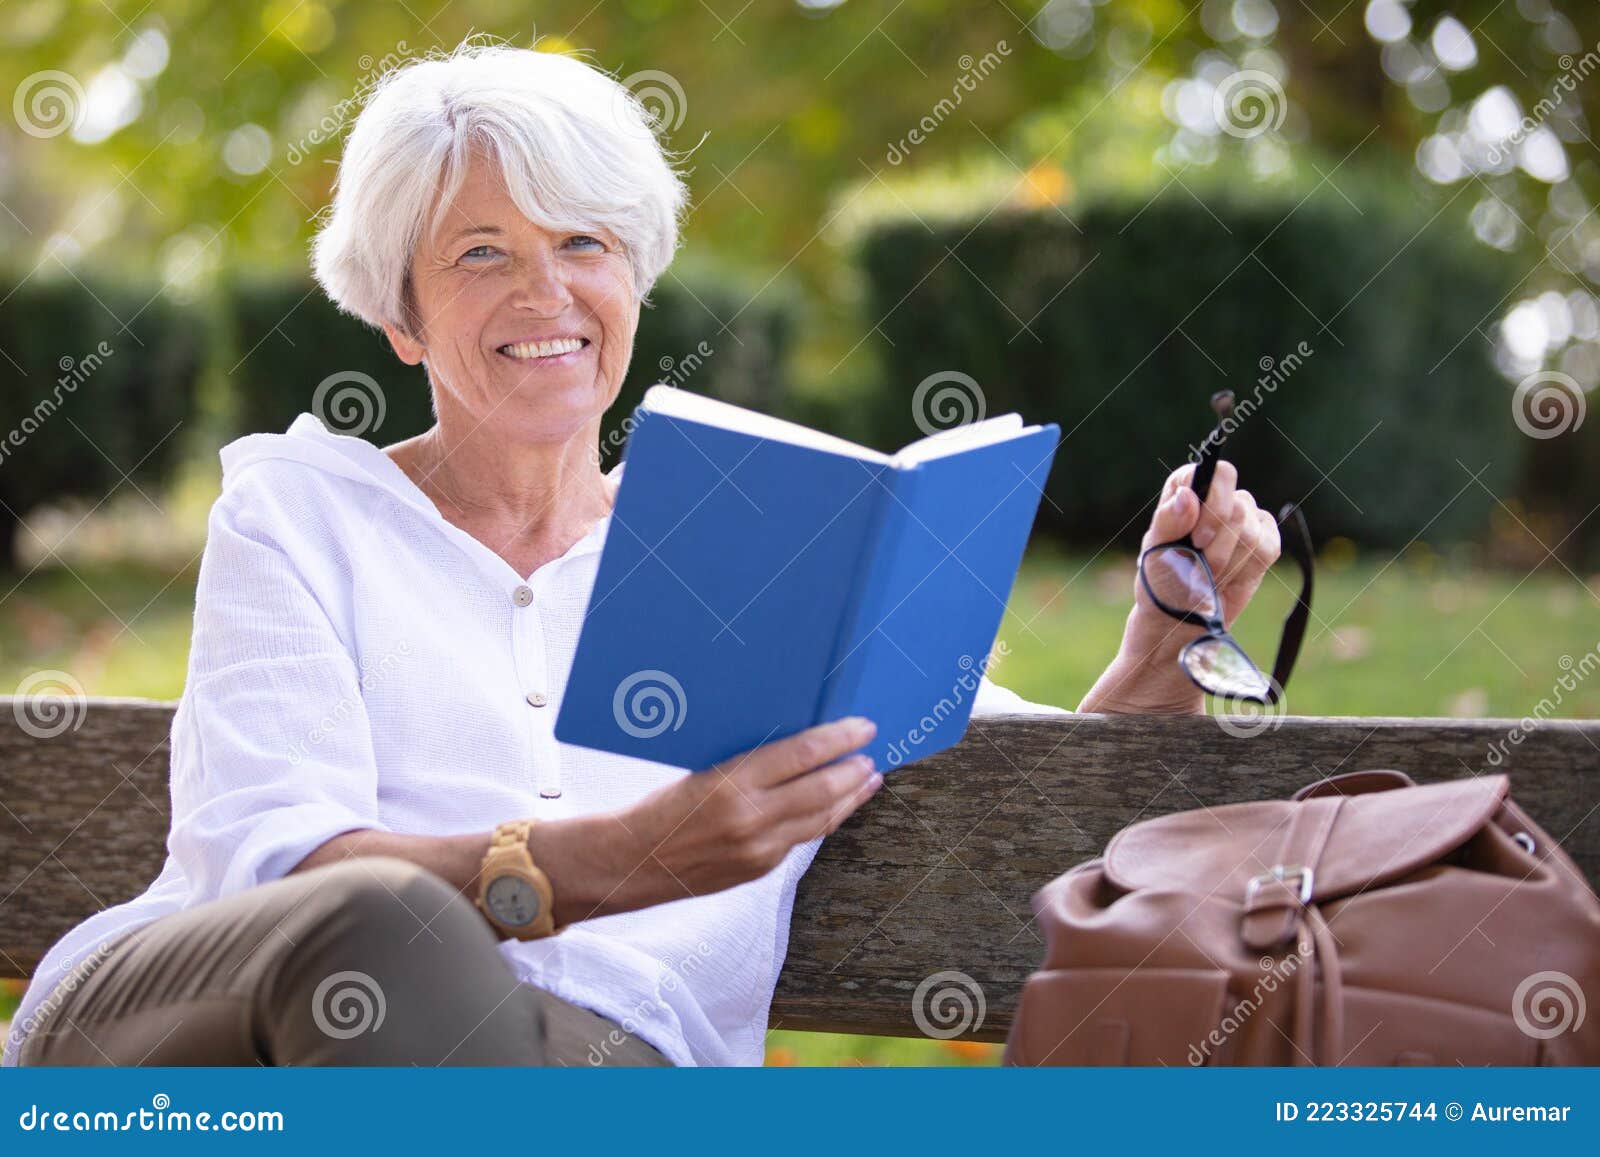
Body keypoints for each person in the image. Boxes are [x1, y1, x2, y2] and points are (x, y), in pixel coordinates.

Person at [7, 43, 1279, 1069]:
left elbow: (1025, 789)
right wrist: (630, 854)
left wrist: (1161, 648)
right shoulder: (300, 513)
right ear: (401, 314)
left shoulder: (774, 544)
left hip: (592, 1061)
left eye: (583, 244)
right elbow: (274, 871)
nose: (544, 294)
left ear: (636, 279)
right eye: (480, 254)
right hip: (195, 1024)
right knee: (380, 929)